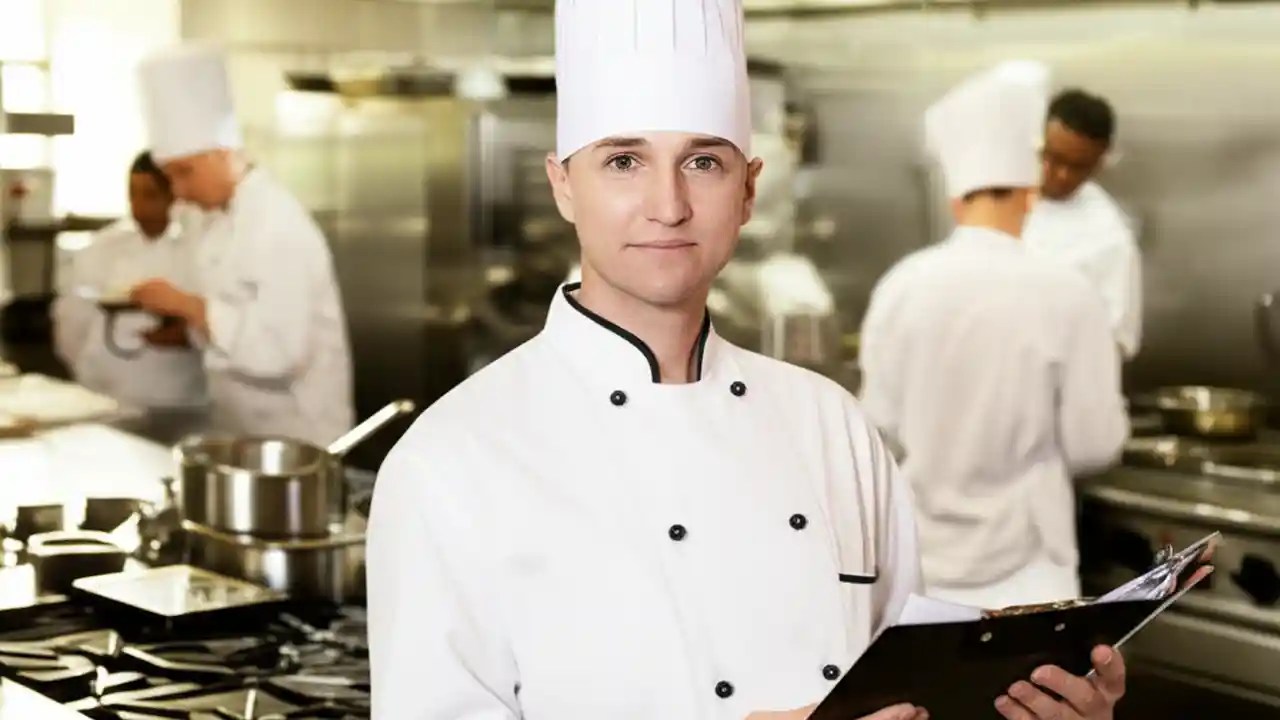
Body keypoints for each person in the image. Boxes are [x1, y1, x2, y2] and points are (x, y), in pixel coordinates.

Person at [367, 5, 1128, 718]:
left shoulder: (832, 425)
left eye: (702, 162)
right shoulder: (450, 459)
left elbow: (908, 699)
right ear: (563, 186)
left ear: (748, 191)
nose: (668, 205)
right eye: (624, 161)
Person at [858, 62, 1130, 612]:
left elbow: (879, 428)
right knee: (1033, 702)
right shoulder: (1067, 292)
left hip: (921, 573)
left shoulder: (901, 287)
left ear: (956, 199)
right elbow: (1095, 443)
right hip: (1029, 580)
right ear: (1029, 194)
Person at [129, 44, 354, 446]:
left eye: (184, 173)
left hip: (298, 440)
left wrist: (189, 306)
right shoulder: (217, 220)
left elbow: (280, 354)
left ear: (222, 154)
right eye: (170, 177)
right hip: (241, 432)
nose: (178, 192)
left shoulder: (278, 226)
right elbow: (233, 320)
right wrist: (189, 331)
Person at [52, 151, 207, 419]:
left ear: (174, 195)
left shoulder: (200, 252)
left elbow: (218, 324)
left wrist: (187, 336)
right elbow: (70, 320)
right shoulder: (103, 248)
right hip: (102, 398)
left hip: (179, 401)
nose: (138, 206)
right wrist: (88, 370)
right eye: (132, 194)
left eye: (150, 195)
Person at [1023, 89, 1142, 360]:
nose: (1063, 175)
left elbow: (1118, 339)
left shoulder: (1108, 237)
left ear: (1100, 162)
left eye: (1079, 166)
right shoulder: (1003, 198)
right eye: (1054, 159)